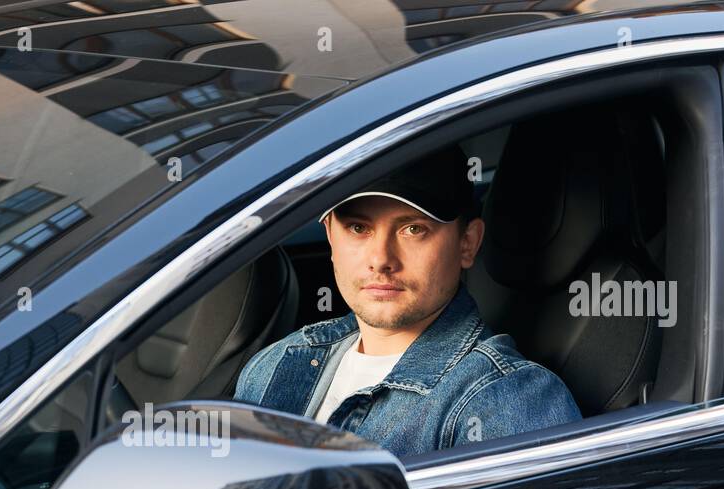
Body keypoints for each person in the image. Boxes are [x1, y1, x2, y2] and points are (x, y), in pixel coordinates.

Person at [234, 145, 581, 456]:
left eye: (413, 229)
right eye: (358, 228)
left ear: (467, 244)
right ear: (330, 236)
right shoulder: (276, 362)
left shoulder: (505, 401)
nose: (381, 258)